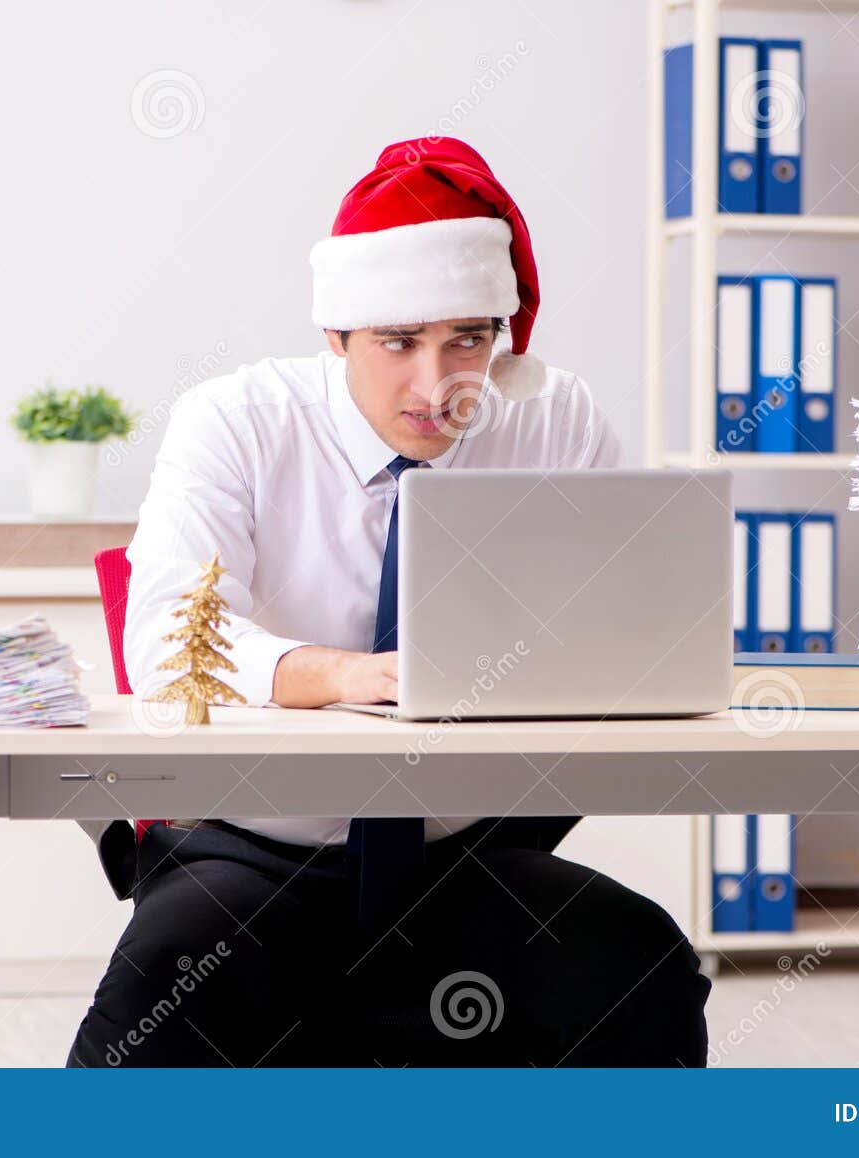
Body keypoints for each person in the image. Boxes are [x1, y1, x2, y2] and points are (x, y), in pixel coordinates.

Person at [67, 137, 711, 1067]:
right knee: (164, 991)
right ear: (336, 336)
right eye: (398, 343)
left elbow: (627, 622)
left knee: (638, 968)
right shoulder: (237, 421)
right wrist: (342, 676)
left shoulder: (549, 417)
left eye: (469, 340)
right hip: (248, 849)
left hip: (462, 854)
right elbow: (168, 643)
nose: (437, 385)